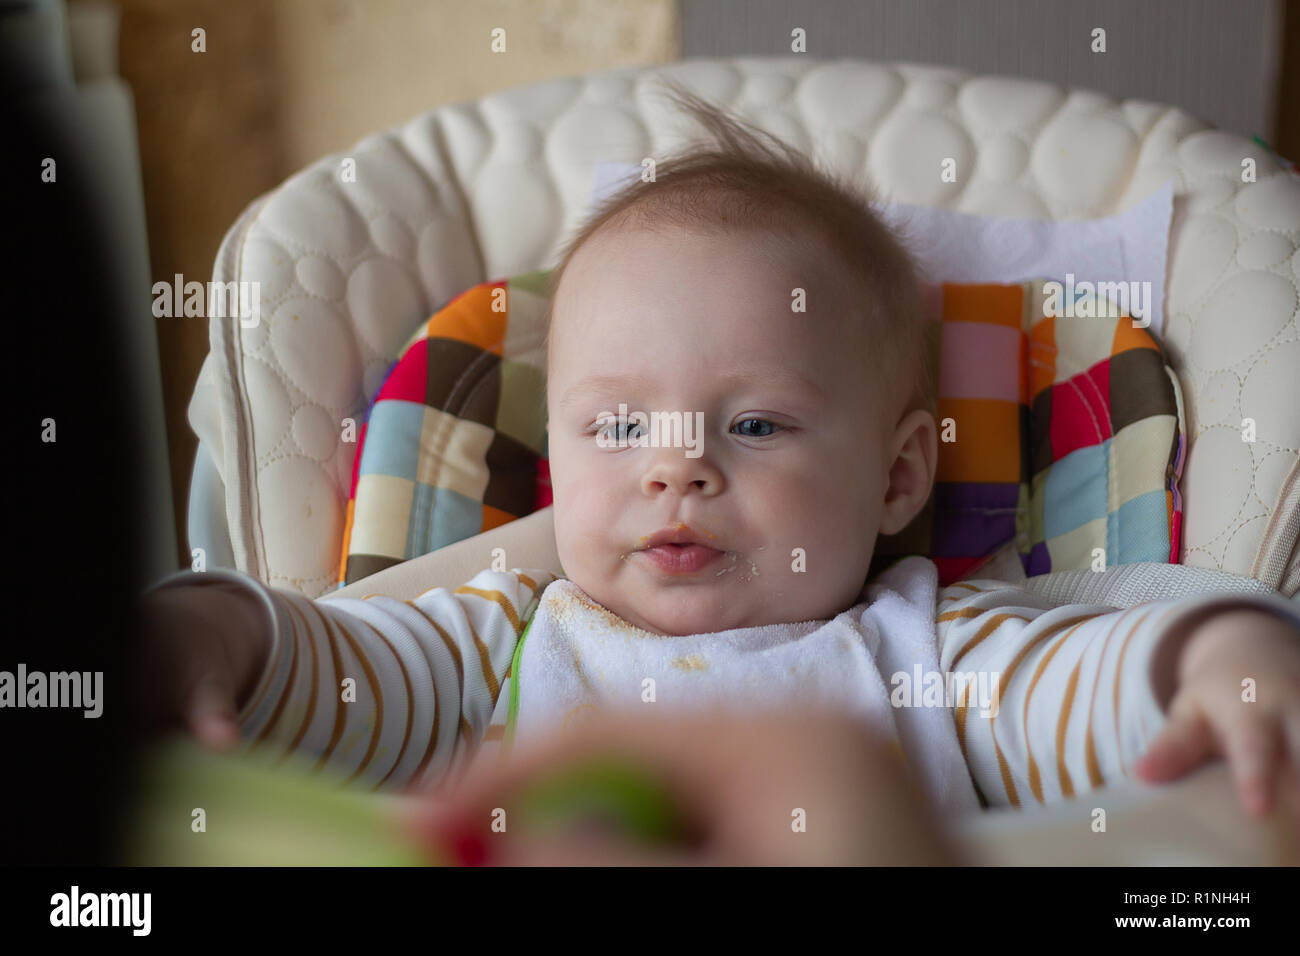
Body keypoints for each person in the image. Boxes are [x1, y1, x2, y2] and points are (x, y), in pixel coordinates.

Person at [136, 83, 1300, 854]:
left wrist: (1220, 659)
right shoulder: (499, 634)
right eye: (616, 426)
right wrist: (212, 635)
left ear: (898, 477)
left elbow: (1086, 690)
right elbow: (336, 675)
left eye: (754, 425)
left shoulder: (931, 652)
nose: (675, 469)